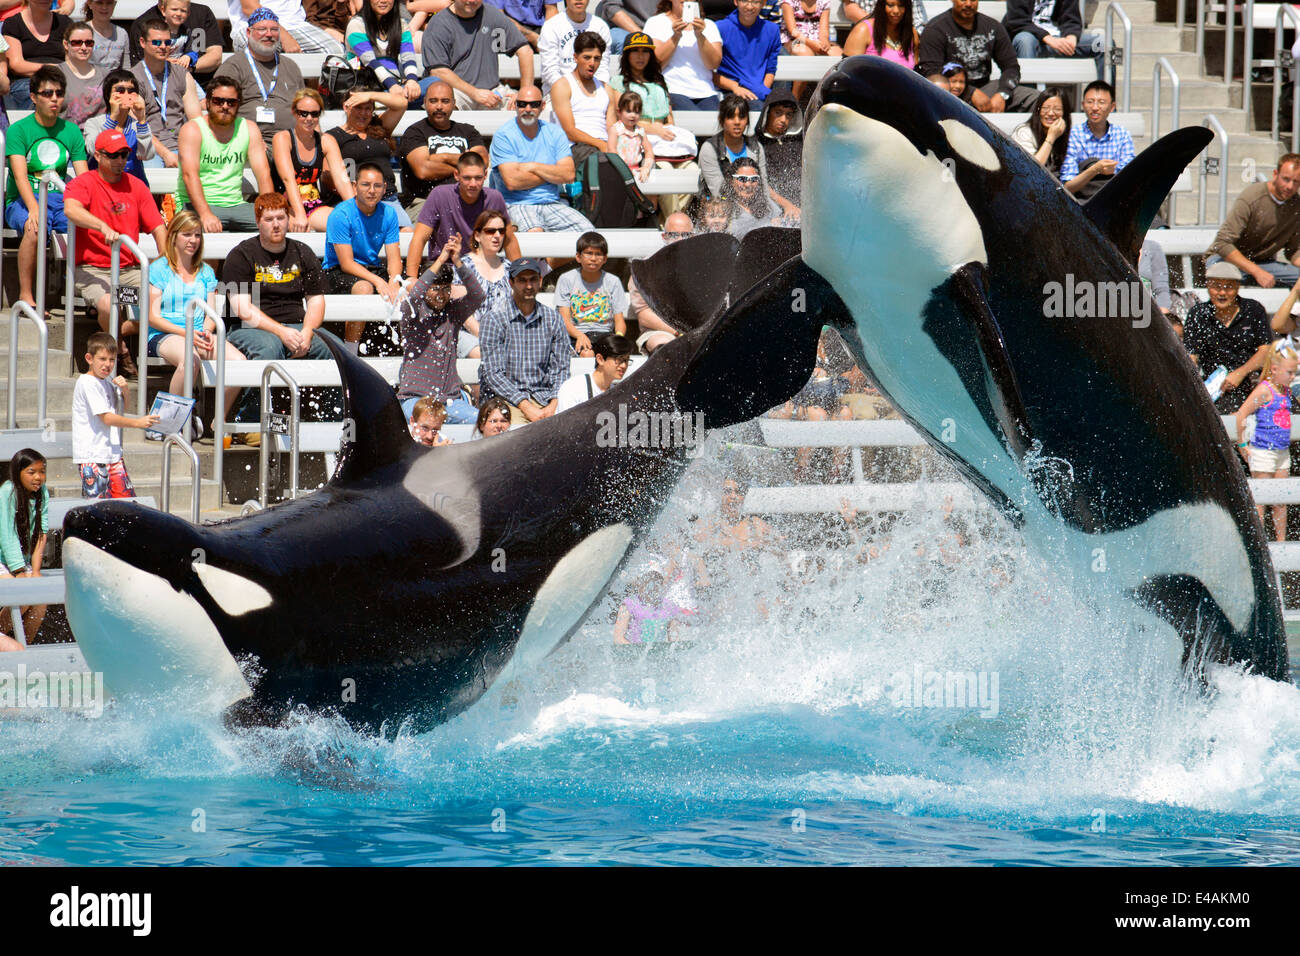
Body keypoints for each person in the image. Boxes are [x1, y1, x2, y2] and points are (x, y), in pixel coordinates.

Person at [223, 192, 333, 439]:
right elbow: (242, 308)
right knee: (270, 349)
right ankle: (250, 420)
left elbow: (316, 301)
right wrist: (282, 332)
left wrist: (306, 331)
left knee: (332, 349)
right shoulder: (241, 254)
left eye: (281, 218)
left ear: (288, 219)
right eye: (269, 218)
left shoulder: (302, 252)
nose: (275, 224)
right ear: (258, 221)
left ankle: (330, 420)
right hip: (249, 328)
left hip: (296, 324)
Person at [64, 128, 167, 375]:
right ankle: (120, 349)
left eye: (124, 154)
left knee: (169, 298)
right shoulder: (83, 182)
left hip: (129, 268)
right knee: (110, 304)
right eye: (114, 155)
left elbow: (158, 227)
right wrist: (101, 225)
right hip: (91, 268)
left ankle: (123, 332)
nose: (120, 160)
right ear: (97, 156)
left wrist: (165, 262)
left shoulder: (137, 186)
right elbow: (71, 209)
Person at [148, 210, 245, 426]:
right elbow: (152, 317)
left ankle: (218, 420)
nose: (193, 240)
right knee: (190, 359)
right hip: (166, 333)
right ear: (174, 236)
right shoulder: (159, 269)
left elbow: (210, 311)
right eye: (186, 234)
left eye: (197, 235)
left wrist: (207, 331)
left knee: (239, 363)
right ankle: (170, 423)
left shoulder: (206, 272)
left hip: (199, 333)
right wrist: (188, 334)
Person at [5, 65, 89, 312]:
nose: (54, 99)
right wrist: (33, 208)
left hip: (60, 199)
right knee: (35, 226)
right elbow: (19, 177)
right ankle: (26, 295)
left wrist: (86, 207)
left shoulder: (71, 130)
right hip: (22, 199)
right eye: (47, 93)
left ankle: (81, 291)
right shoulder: (18, 130)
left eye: (59, 93)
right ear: (33, 97)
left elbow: (83, 177)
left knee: (85, 226)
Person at [397, 235, 486, 422]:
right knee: (424, 424)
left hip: (450, 401)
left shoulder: (453, 313)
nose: (441, 295)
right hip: (415, 399)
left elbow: (478, 295)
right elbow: (415, 295)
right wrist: (440, 260)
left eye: (446, 289)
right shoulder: (413, 312)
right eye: (435, 288)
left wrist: (457, 262)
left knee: (480, 423)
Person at [489, 85, 594, 233]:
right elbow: (512, 182)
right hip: (517, 203)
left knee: (589, 235)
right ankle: (544, 257)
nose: (527, 108)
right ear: (515, 105)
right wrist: (553, 175)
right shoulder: (504, 135)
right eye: (522, 104)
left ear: (543, 106)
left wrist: (533, 166)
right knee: (535, 233)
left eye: (534, 104)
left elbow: (569, 175)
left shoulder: (555, 133)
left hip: (552, 203)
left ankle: (549, 258)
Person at [478, 257, 571, 424]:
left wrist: (554, 403)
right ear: (511, 282)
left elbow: (561, 369)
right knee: (520, 435)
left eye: (533, 279)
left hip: (545, 398)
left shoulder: (553, 319)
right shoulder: (494, 318)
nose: (529, 286)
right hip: (506, 399)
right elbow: (493, 374)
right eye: (522, 280)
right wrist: (526, 406)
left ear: (540, 280)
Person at [176, 76, 274, 233]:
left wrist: (270, 211)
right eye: (218, 101)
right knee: (203, 229)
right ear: (207, 102)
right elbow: (189, 176)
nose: (225, 106)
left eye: (231, 102)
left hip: (236, 204)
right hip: (196, 205)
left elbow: (263, 175)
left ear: (238, 105)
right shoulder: (192, 130)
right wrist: (205, 214)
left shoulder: (248, 128)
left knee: (277, 227)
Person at [324, 161, 403, 348]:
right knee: (364, 288)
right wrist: (379, 282)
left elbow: (394, 258)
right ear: (354, 186)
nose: (371, 190)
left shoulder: (389, 213)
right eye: (365, 185)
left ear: (384, 188)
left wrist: (394, 281)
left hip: (371, 268)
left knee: (410, 288)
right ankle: (351, 352)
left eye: (377, 186)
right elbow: (347, 264)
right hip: (335, 271)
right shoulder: (340, 214)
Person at [72, 331, 160, 498]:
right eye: (102, 359)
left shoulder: (106, 383)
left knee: (126, 506)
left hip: (112, 453)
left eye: (112, 360)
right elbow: (106, 417)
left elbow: (121, 408)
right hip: (93, 456)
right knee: (100, 510)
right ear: (89, 358)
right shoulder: (86, 382)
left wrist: (125, 390)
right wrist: (138, 423)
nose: (108, 364)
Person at [406, 151, 515, 280]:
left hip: (483, 268)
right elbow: (419, 238)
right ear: (456, 175)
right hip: (445, 270)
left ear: (486, 175)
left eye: (478, 178)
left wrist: (518, 275)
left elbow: (509, 240)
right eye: (467, 178)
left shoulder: (495, 197)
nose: (473, 184)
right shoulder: (439, 195)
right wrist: (410, 278)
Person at [1182, 261, 1272, 413]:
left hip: (1253, 381)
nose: (1222, 293)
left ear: (1238, 287)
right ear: (1208, 286)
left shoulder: (1253, 309)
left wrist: (1240, 373)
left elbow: (1266, 351)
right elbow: (1191, 358)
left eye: (1228, 287)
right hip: (1219, 389)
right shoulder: (1198, 314)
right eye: (1216, 286)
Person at [916, 0, 1036, 113]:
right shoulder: (936, 29)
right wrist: (970, 92)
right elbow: (930, 73)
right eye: (963, 0)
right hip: (951, 90)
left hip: (986, 88)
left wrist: (1002, 94)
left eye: (973, 0)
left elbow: (1011, 67)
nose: (968, 4)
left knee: (1038, 99)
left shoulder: (993, 26)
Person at [1235, 341, 1299, 541]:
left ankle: (1281, 542)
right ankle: (1260, 542)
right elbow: (1241, 414)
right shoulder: (1265, 390)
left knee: (1280, 501)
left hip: (1281, 451)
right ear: (1274, 369)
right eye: (1289, 372)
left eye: (1294, 372)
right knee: (1261, 501)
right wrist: (1242, 444)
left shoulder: (1287, 391)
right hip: (1263, 451)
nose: (1292, 377)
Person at [398, 80, 488, 220]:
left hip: (469, 200)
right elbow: (423, 170)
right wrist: (466, 164)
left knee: (502, 225)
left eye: (445, 101)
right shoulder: (415, 132)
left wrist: (442, 157)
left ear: (453, 103)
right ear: (425, 103)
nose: (439, 106)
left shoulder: (468, 131)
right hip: (425, 202)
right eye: (433, 101)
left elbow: (481, 161)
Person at [421, 0, 535, 111]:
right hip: (455, 91)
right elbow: (438, 71)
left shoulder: (493, 15)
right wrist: (475, 93)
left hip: (493, 91)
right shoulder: (438, 23)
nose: (472, 1)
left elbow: (525, 51)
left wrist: (524, 93)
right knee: (443, 106)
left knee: (526, 107)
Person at [698, 94, 797, 219]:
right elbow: (720, 193)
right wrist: (751, 218)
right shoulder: (710, 149)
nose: (737, 122)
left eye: (742, 117)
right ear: (722, 120)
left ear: (747, 120)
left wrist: (775, 213)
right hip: (720, 212)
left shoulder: (756, 147)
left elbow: (763, 187)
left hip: (753, 206)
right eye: (730, 117)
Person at [1208, 154, 1300, 289]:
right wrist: (1256, 272)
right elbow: (1222, 243)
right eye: (1286, 179)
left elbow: (1293, 251)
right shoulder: (1252, 197)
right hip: (1227, 261)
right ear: (1275, 174)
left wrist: (1260, 271)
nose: (1290, 186)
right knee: (1222, 274)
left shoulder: (1296, 206)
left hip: (1264, 265)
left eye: (1296, 182)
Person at [272, 88, 352, 232]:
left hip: (313, 204)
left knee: (348, 223)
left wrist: (356, 211)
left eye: (314, 114)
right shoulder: (283, 138)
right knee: (298, 228)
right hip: (283, 205)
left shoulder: (326, 140)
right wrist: (300, 214)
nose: (309, 118)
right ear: (294, 112)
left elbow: (342, 180)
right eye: (304, 113)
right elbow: (288, 179)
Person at [325, 87, 410, 223]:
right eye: (358, 107)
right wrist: (358, 202)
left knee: (405, 232)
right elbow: (328, 176)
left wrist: (370, 94)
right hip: (354, 200)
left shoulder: (380, 127)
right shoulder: (333, 137)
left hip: (387, 199)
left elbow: (402, 104)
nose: (363, 113)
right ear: (346, 107)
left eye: (368, 108)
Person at [224, 8, 308, 142]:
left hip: (290, 141)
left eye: (274, 30)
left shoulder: (291, 67)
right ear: (248, 32)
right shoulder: (234, 66)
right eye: (262, 29)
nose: (269, 34)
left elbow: (306, 107)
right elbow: (220, 108)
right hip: (248, 141)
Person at [130, 15, 200, 169]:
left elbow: (196, 119)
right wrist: (166, 154)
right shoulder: (132, 79)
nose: (163, 46)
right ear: (142, 42)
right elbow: (136, 125)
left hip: (182, 144)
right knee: (152, 173)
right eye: (156, 42)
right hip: (148, 147)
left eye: (167, 42)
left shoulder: (183, 74)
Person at [0, 448, 49, 648]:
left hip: (21, 561)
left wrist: (35, 571)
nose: (38, 477)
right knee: (24, 592)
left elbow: (41, 532)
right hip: (4, 560)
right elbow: (7, 535)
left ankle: (25, 649)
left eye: (42, 471)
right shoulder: (6, 492)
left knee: (41, 597)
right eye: (31, 472)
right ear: (18, 472)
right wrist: (20, 572)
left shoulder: (42, 492)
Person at [454, 208, 514, 361]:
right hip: (467, 334)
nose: (497, 236)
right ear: (477, 235)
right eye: (490, 231)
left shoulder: (509, 267)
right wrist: (486, 337)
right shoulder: (463, 265)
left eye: (501, 231)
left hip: (502, 336)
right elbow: (461, 311)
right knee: (485, 355)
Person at [1058, 79, 1134, 200]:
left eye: (1101, 102)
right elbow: (1067, 186)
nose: (1095, 107)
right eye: (1090, 102)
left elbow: (1130, 176)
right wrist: (1095, 169)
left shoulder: (1122, 135)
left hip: (1115, 198)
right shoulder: (1073, 135)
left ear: (1112, 107)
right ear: (1083, 105)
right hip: (1083, 200)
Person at [627, 209, 691, 352]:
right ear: (664, 236)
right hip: (660, 331)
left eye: (686, 234)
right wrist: (679, 333)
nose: (680, 239)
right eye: (673, 234)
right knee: (666, 346)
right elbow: (644, 316)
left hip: (697, 330)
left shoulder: (703, 266)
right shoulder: (645, 268)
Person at [556, 230, 628, 354]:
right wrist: (579, 335)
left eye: (598, 254)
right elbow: (565, 320)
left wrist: (618, 337)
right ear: (578, 257)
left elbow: (619, 319)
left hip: (605, 335)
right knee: (587, 353)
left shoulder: (613, 281)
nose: (594, 258)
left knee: (613, 355)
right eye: (589, 253)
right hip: (575, 334)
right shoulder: (566, 279)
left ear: (605, 258)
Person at [643, 0, 722, 111]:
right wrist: (676, 36)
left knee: (716, 123)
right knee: (698, 121)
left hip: (706, 92)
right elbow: (655, 64)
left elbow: (713, 64)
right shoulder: (655, 22)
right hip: (672, 90)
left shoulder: (709, 25)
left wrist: (700, 35)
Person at [127, 0, 222, 90]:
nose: (178, 13)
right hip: (157, 82)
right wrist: (167, 65)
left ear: (188, 13)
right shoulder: (143, 24)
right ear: (163, 10)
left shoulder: (200, 15)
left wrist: (187, 64)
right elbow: (141, 62)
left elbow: (216, 57)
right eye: (174, 9)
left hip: (192, 79)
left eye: (183, 11)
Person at [81, 69, 154, 183]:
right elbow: (93, 149)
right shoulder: (94, 123)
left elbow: (146, 155)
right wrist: (113, 118)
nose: (126, 95)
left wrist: (141, 119)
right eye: (120, 90)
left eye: (131, 91)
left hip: (132, 187)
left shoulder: (139, 126)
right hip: (101, 187)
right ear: (108, 94)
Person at [550, 31, 612, 166]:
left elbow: (612, 128)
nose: (592, 63)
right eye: (587, 57)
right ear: (575, 57)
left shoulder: (606, 88)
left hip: (604, 148)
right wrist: (601, 144)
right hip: (575, 147)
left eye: (597, 58)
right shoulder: (563, 85)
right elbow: (570, 132)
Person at [1003, 0, 1104, 81]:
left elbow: (1071, 19)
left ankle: (1104, 100)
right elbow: (1017, 21)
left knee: (1103, 43)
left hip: (1058, 37)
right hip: (1031, 38)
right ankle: (1030, 102)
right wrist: (1049, 39)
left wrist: (1072, 36)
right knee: (1025, 40)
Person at [346, 0, 422, 100]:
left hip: (397, 87)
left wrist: (412, 80)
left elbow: (408, 57)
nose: (383, 1)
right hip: (367, 87)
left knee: (433, 83)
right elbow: (371, 62)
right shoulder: (356, 25)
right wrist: (392, 85)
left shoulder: (401, 24)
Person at [4, 0, 69, 109]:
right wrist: (52, 68)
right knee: (41, 95)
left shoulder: (64, 22)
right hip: (26, 81)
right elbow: (17, 65)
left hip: (61, 78)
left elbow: (71, 60)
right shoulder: (13, 23)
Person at [715, 0, 780, 109]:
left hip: (760, 91)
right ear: (736, 2)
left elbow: (770, 69)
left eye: (755, 2)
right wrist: (734, 87)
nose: (749, 7)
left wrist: (761, 92)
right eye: (745, 1)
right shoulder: (720, 28)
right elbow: (709, 71)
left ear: (763, 4)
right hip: (730, 90)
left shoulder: (772, 30)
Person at [539, 0, 612, 95]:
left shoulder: (600, 26)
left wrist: (594, 93)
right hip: (558, 92)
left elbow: (602, 69)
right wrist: (574, 92)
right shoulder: (551, 26)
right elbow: (550, 71)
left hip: (593, 91)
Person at [779, 0, 841, 101]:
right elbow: (793, 31)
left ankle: (829, 98)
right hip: (794, 41)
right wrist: (813, 45)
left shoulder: (824, 2)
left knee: (839, 54)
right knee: (805, 53)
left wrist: (824, 42)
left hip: (816, 43)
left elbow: (824, 30)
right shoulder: (788, 2)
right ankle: (794, 100)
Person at [231, 0, 343, 54]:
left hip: (296, 25)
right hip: (253, 24)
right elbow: (249, 8)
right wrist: (284, 36)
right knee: (263, 52)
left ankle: (311, 98)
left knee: (335, 52)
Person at [556, 331, 632, 411]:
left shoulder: (619, 393)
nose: (624, 365)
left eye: (626, 360)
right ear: (600, 359)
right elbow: (565, 422)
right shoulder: (573, 388)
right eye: (619, 360)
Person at [755, 88, 801, 208]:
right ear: (768, 113)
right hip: (770, 206)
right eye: (778, 112)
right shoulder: (756, 144)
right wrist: (787, 205)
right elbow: (758, 183)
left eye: (789, 115)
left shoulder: (799, 142)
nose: (783, 120)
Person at [843, 0, 918, 69]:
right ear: (881, 6)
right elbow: (848, 71)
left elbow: (916, 75)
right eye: (890, 5)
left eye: (901, 5)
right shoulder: (863, 30)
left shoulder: (911, 34)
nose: (896, 11)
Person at [722, 155, 780, 237]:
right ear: (731, 181)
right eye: (742, 179)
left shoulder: (767, 203)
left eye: (754, 179)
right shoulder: (724, 208)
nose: (748, 184)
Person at [60, 18, 103, 127]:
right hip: (67, 138)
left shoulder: (105, 75)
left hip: (100, 138)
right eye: (77, 43)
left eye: (89, 43)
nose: (84, 47)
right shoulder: (56, 74)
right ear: (66, 44)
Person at [608, 90, 654, 181]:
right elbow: (611, 151)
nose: (633, 115)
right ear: (619, 112)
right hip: (618, 171)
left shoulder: (640, 131)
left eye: (637, 112)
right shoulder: (615, 129)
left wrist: (646, 167)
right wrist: (623, 169)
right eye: (629, 111)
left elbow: (649, 151)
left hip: (636, 170)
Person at [85, 0, 129, 70]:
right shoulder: (82, 32)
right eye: (99, 3)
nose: (104, 7)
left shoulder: (122, 33)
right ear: (90, 4)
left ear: (114, 4)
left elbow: (126, 67)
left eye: (109, 3)